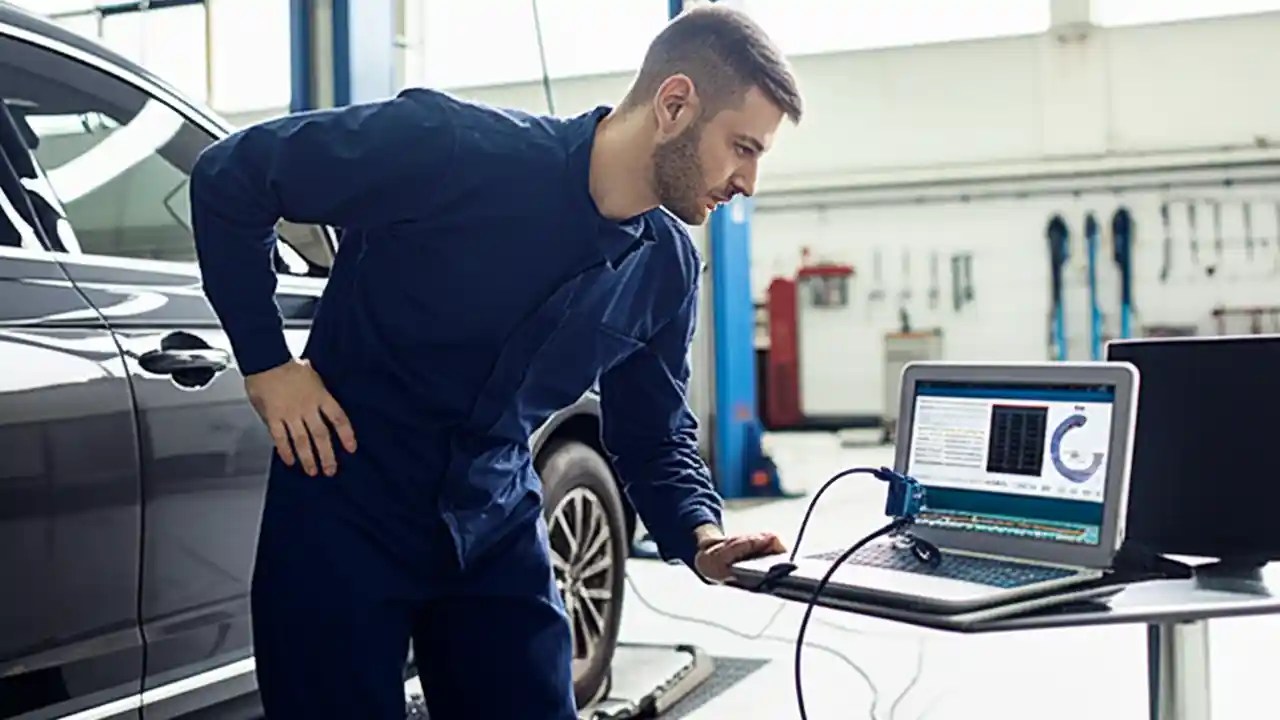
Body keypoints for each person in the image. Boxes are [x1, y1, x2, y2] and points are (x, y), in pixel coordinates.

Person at [189, 4, 802, 718]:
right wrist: (267, 363)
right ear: (675, 104)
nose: (747, 183)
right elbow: (232, 176)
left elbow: (652, 433)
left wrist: (701, 536)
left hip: (495, 525)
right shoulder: (451, 149)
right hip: (343, 510)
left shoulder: (666, 270)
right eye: (743, 147)